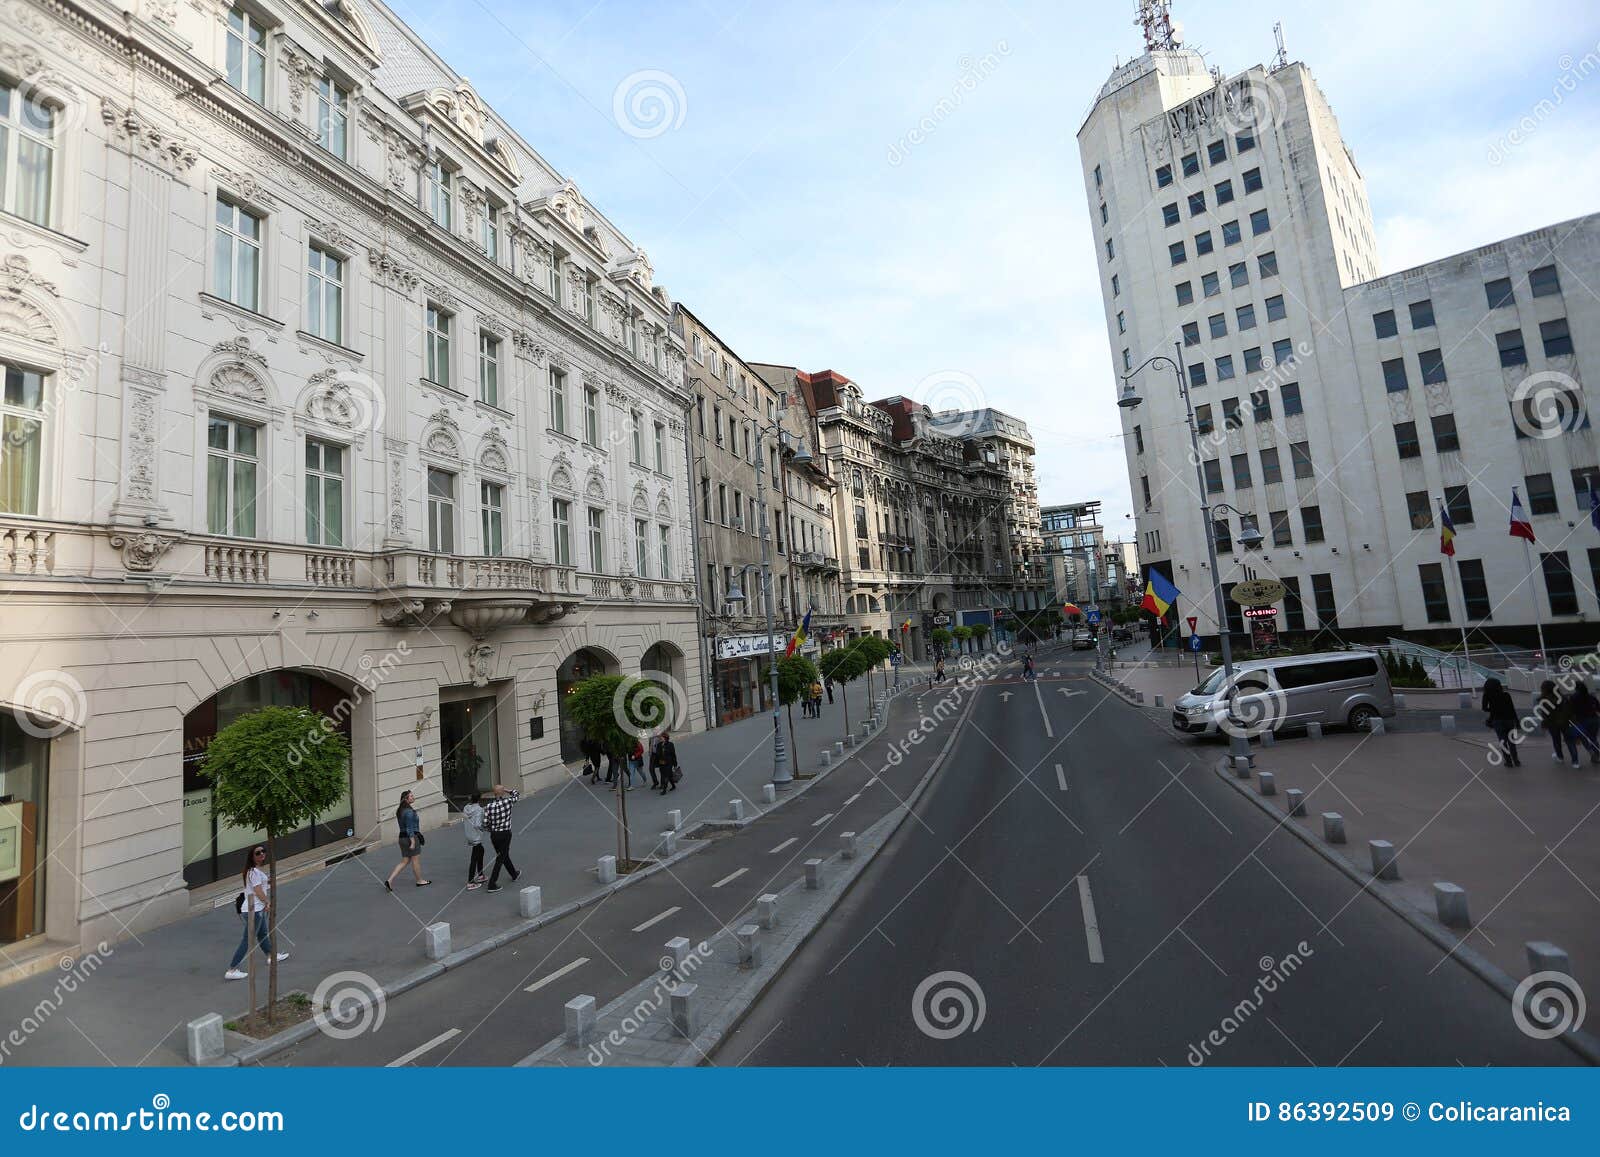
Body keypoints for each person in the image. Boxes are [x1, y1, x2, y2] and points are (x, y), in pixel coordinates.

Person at [225, 846, 288, 979]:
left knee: (262, 934)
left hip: (254, 909)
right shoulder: (253, 872)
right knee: (247, 940)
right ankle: (232, 969)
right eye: (258, 853)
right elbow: (258, 890)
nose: (262, 854)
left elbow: (259, 885)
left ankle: (271, 956)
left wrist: (268, 881)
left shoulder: (254, 872)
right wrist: (267, 902)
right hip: (254, 909)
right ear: (252, 856)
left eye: (263, 851)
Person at [384, 790, 430, 890]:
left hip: (402, 838)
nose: (413, 797)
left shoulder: (400, 810)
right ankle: (420, 881)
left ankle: (389, 880)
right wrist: (413, 841)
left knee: (405, 861)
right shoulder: (409, 812)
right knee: (415, 860)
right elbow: (409, 828)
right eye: (411, 796)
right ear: (406, 799)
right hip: (410, 838)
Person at [480, 783, 521, 893]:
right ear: (502, 793)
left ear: (494, 793)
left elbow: (484, 824)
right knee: (500, 857)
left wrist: (492, 829)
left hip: (494, 835)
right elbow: (517, 794)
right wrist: (506, 789)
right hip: (505, 834)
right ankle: (492, 884)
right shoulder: (507, 802)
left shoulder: (488, 807)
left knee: (503, 855)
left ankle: (514, 874)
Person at [1535, 680, 1585, 767]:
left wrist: (1544, 724)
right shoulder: (1563, 697)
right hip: (1564, 722)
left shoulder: (1543, 700)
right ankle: (1575, 762)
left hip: (1552, 724)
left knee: (1556, 741)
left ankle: (1560, 757)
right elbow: (1569, 711)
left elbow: (1545, 715)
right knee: (1570, 742)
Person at [1481, 677, 1521, 767]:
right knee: (1512, 741)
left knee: (1502, 741)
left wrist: (1493, 709)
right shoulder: (1506, 695)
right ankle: (1516, 760)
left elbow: (1484, 708)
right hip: (1509, 719)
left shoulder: (1487, 696)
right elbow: (1512, 709)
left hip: (1497, 720)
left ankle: (1508, 761)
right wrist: (1517, 722)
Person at [1572, 678, 1600, 765]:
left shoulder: (1573, 698)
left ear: (1576, 688)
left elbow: (1571, 711)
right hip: (1594, 720)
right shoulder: (1591, 697)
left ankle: (1593, 754)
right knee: (1593, 737)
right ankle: (1597, 753)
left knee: (1583, 738)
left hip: (1582, 721)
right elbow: (1599, 708)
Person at [462, 792, 487, 890]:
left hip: (469, 835)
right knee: (474, 858)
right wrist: (485, 827)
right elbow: (478, 824)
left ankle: (481, 875)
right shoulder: (479, 810)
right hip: (476, 836)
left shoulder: (466, 808)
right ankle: (470, 881)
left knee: (481, 850)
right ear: (479, 799)